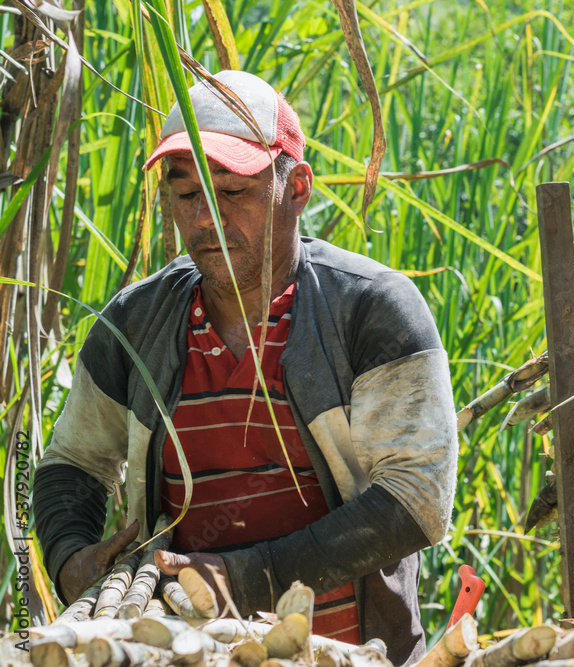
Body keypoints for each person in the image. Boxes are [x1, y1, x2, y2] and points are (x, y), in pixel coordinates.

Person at [33, 70, 458, 665]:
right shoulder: (135, 324)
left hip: (347, 654)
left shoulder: (371, 309)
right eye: (187, 195)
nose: (206, 219)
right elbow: (72, 464)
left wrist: (242, 576)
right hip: (180, 651)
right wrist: (71, 556)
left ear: (299, 187)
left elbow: (416, 501)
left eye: (233, 192)